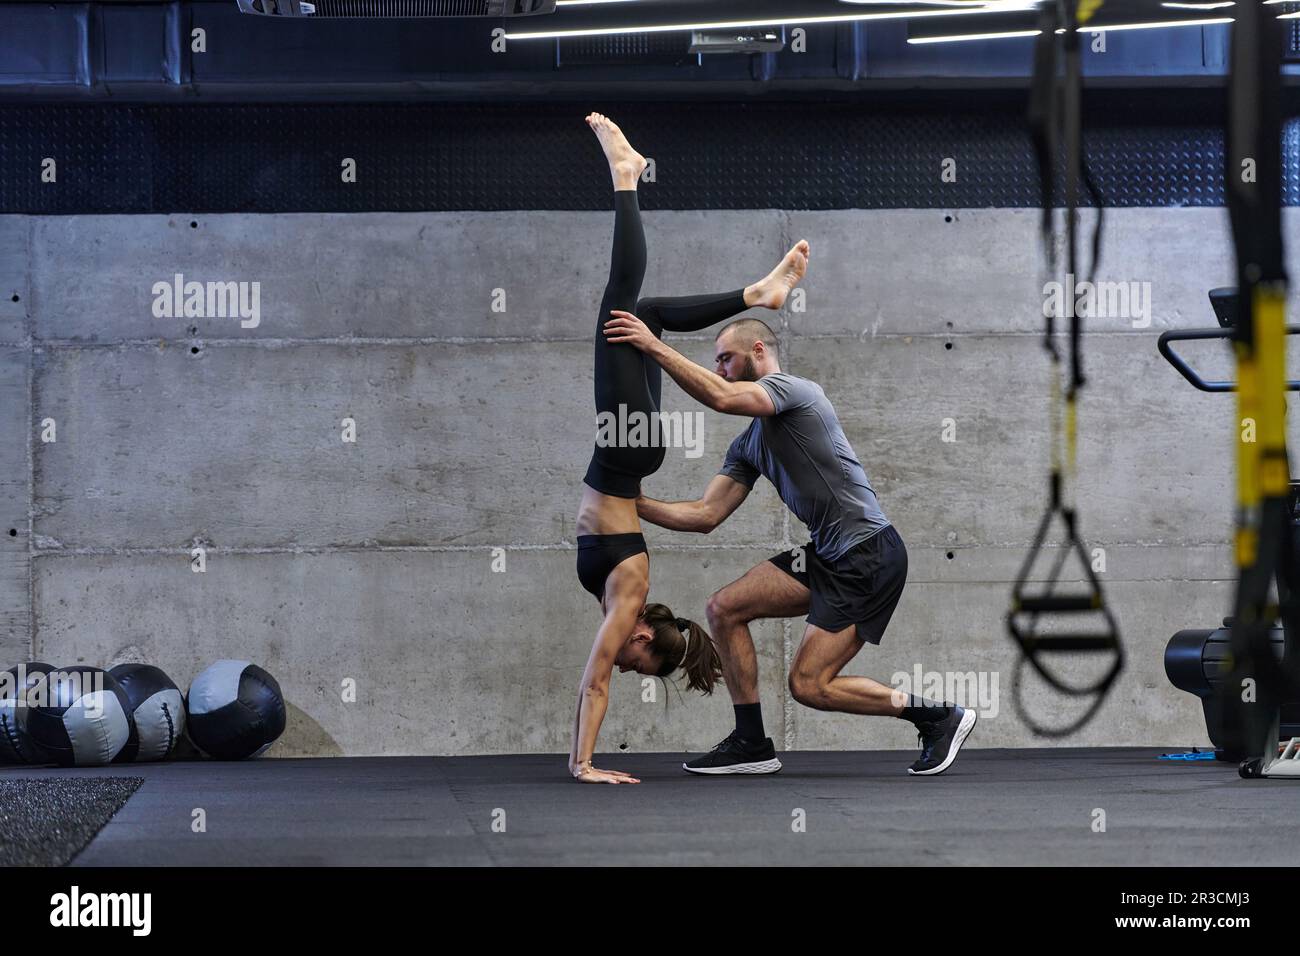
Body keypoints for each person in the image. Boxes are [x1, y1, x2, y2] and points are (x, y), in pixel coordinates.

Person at [604, 302, 978, 776]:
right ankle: (751, 742)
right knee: (724, 608)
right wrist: (636, 503)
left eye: (724, 358)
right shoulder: (748, 444)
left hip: (868, 554)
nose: (719, 368)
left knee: (809, 685)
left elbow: (719, 396)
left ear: (757, 351)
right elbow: (705, 515)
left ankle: (937, 716)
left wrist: (651, 344)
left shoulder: (795, 392)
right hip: (826, 554)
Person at [570, 112, 813, 783]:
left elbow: (600, 674)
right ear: (645, 637)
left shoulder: (624, 595)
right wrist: (583, 764)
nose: (628, 664)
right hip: (624, 452)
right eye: (641, 663)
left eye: (637, 670)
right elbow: (595, 682)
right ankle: (626, 179)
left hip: (628, 455)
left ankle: (757, 293)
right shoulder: (628, 596)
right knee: (624, 309)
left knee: (637, 316)